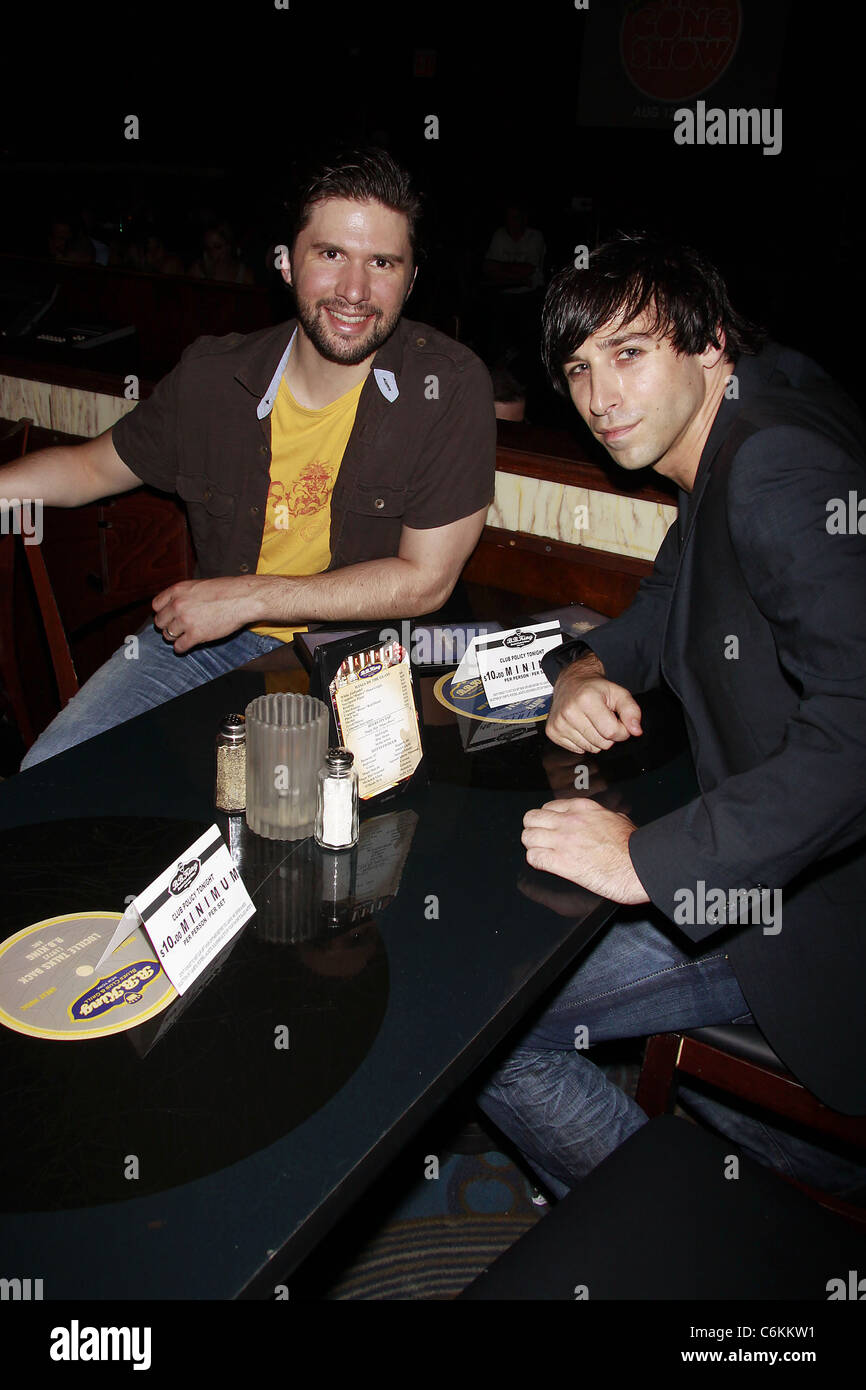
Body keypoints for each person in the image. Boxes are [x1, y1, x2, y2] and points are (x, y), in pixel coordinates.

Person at [477, 233, 866, 1199]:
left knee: (495, 1033)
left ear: (709, 342)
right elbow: (666, 604)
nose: (600, 397)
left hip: (812, 919)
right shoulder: (738, 426)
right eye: (577, 367)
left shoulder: (772, 465)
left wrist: (643, 861)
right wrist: (584, 668)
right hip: (770, 868)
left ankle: (685, 1233)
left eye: (629, 352)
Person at [5, 149, 495, 768]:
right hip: (216, 642)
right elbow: (88, 469)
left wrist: (246, 597)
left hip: (368, 656)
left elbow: (426, 581)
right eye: (331, 254)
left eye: (382, 262)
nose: (354, 289)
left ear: (412, 279)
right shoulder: (215, 376)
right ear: (286, 264)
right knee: (52, 769)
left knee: (322, 825)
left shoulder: (448, 385)